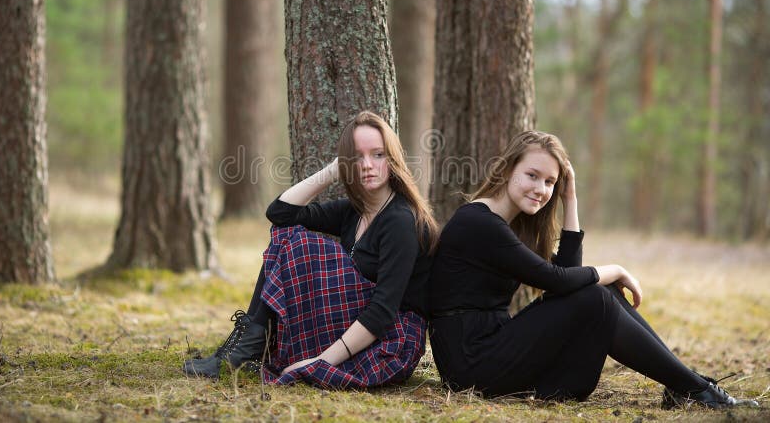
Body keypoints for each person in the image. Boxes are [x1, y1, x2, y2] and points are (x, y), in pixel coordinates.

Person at [428, 130, 759, 409]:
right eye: (532, 175)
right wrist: (615, 269)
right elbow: (556, 281)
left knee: (600, 291)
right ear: (507, 170)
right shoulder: (479, 223)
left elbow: (568, 282)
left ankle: (687, 385)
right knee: (597, 295)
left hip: (495, 351)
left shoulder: (510, 226)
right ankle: (694, 388)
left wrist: (570, 199)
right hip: (471, 364)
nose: (541, 189)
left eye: (550, 182)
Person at [183, 110, 438, 388]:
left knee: (301, 244)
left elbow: (382, 312)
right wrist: (331, 171)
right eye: (357, 157)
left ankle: (246, 350)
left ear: (393, 159)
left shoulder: (400, 221)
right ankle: (247, 345)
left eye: (378, 155)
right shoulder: (355, 211)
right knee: (286, 235)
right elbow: (280, 213)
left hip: (391, 339)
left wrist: (320, 363)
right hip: (356, 324)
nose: (367, 165)